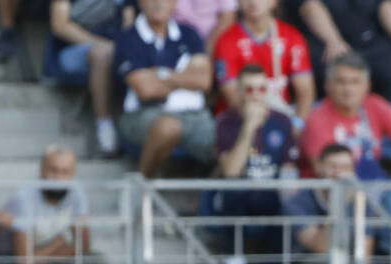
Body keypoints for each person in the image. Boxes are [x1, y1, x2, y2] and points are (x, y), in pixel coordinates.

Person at [208, 64, 301, 264]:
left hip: (271, 192)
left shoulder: (281, 121)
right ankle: (235, 261)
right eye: (249, 89)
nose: (255, 94)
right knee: (234, 188)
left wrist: (290, 192)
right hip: (238, 191)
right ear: (239, 91)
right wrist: (249, 127)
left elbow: (290, 166)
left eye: (261, 88)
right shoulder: (226, 122)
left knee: (289, 210)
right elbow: (231, 170)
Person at [115, 0, 216, 177]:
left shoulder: (189, 33)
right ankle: (144, 184)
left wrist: (160, 74)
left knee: (231, 140)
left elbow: (203, 81)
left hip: (195, 115)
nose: (159, 3)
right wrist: (185, 76)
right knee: (168, 127)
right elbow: (146, 90)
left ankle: (213, 198)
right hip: (143, 114)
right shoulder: (127, 38)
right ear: (140, 2)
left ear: (175, 3)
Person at [299, 51, 391, 178]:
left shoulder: (374, 105)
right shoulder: (317, 118)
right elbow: (324, 170)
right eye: (341, 82)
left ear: (367, 86)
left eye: (355, 82)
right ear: (327, 86)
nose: (348, 89)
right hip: (330, 192)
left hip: (372, 184)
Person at [49, 0, 136, 156]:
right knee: (101, 54)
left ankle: (133, 131)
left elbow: (128, 25)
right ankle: (104, 127)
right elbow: (60, 26)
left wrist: (122, 49)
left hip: (115, 47)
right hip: (73, 49)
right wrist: (103, 45)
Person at [291, 0, 391, 102]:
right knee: (333, 68)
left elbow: (384, 3)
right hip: (326, 41)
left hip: (371, 41)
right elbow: (310, 7)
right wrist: (333, 41)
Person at [213, 0, 315, 124]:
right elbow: (232, 97)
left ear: (274, 2)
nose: (253, 2)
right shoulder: (226, 41)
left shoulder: (292, 36)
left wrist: (297, 124)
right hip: (237, 121)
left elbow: (305, 92)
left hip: (280, 119)